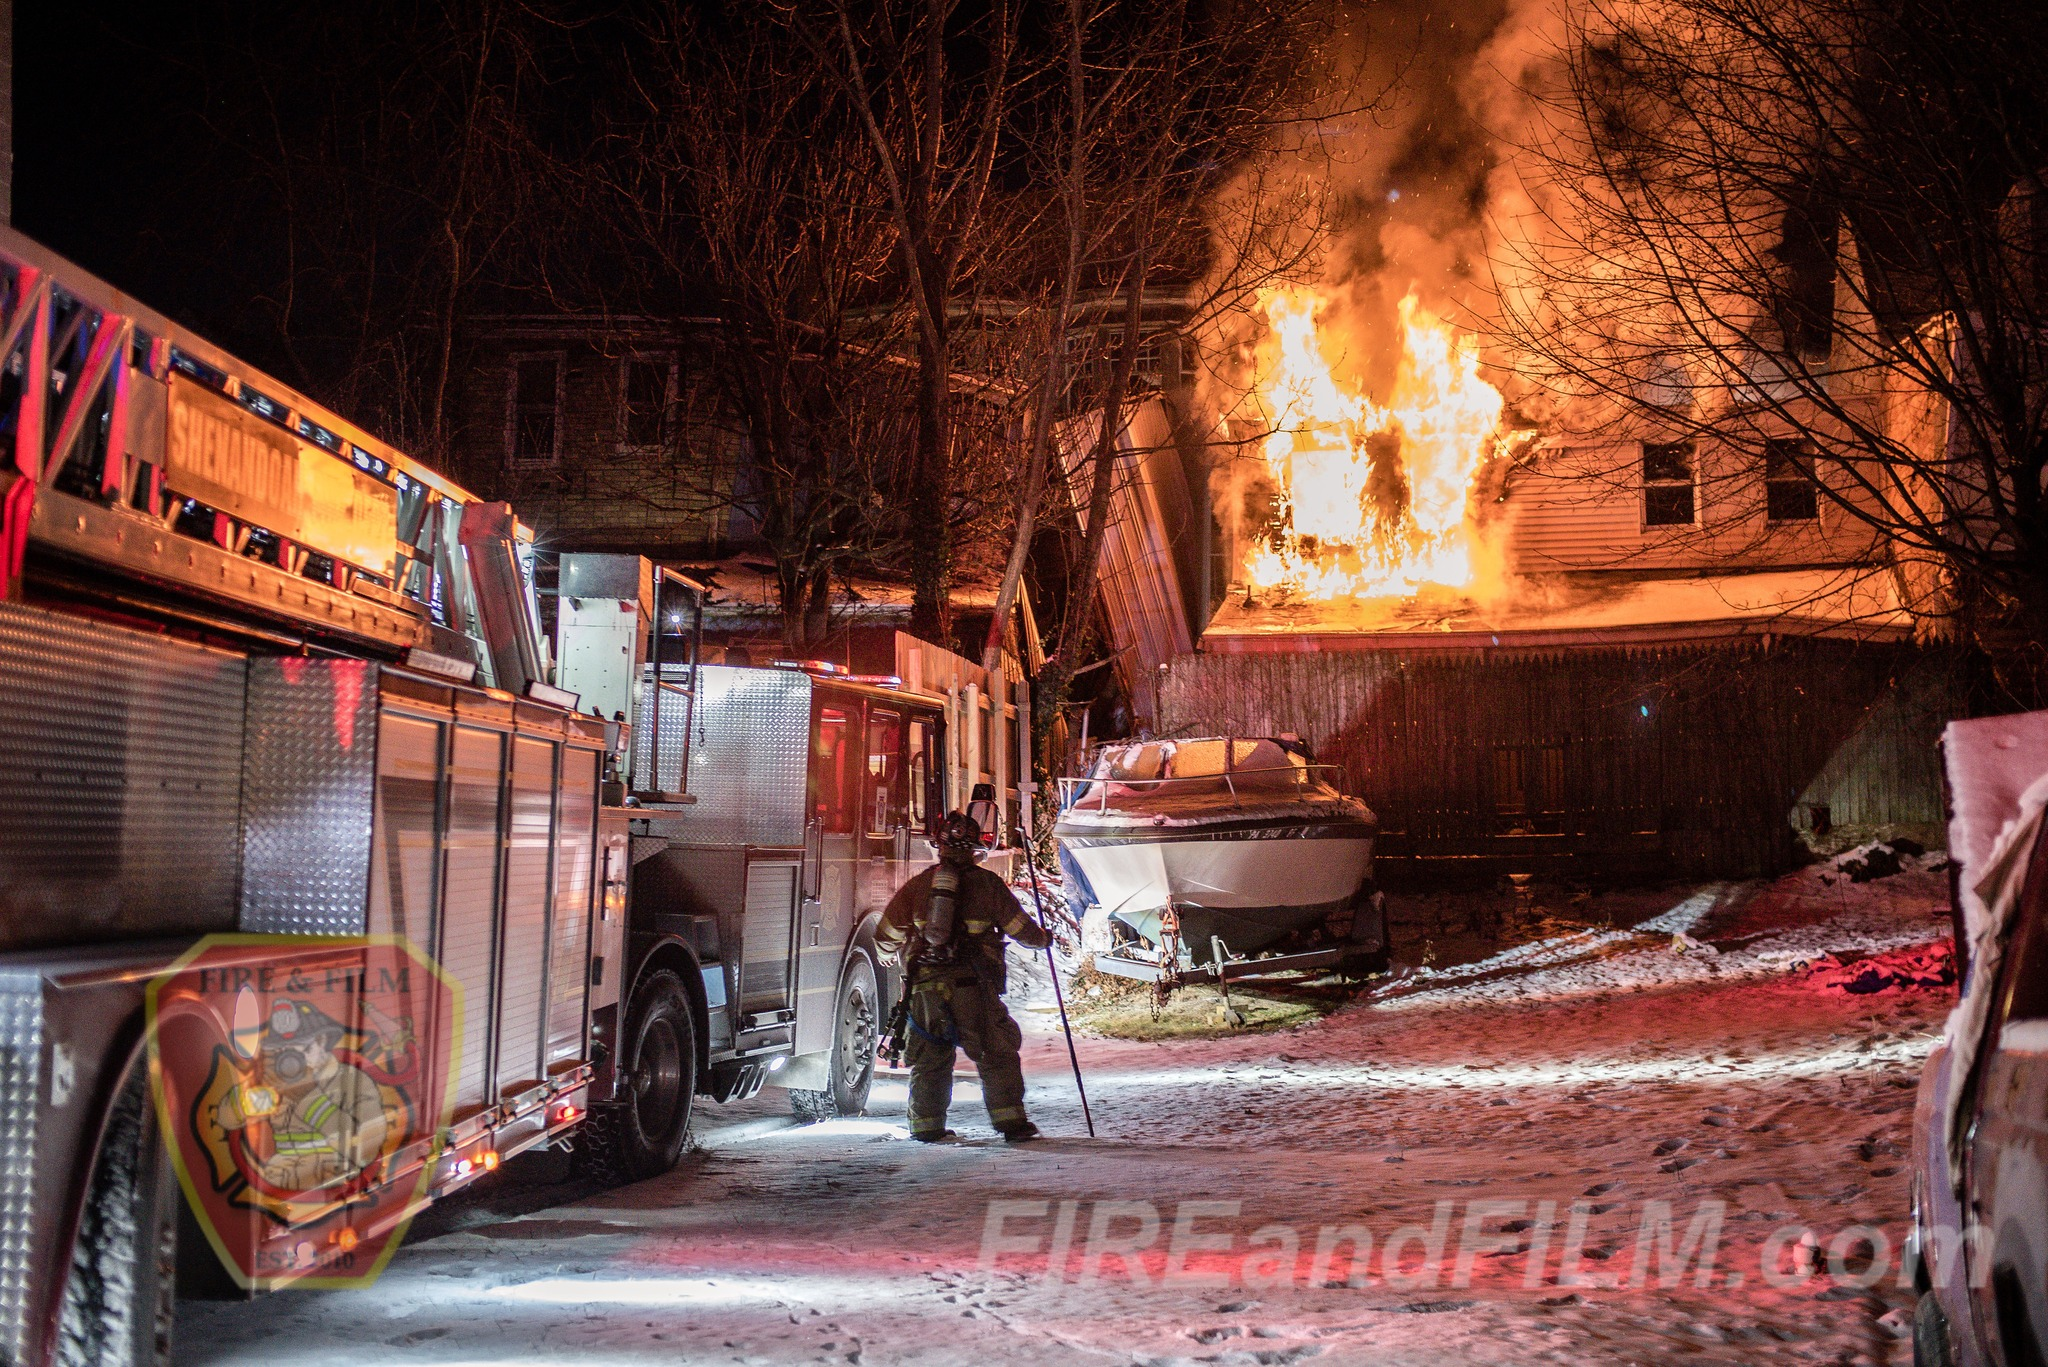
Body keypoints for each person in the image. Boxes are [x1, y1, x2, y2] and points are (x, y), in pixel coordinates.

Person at [877, 811, 1050, 1143]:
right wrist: (1043, 939)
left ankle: (926, 1127)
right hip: (973, 988)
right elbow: (1020, 929)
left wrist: (889, 956)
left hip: (925, 991)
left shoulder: (918, 886)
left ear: (939, 846)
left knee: (931, 1057)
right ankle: (1011, 1124)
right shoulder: (987, 885)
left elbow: (886, 935)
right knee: (994, 1053)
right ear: (974, 847)